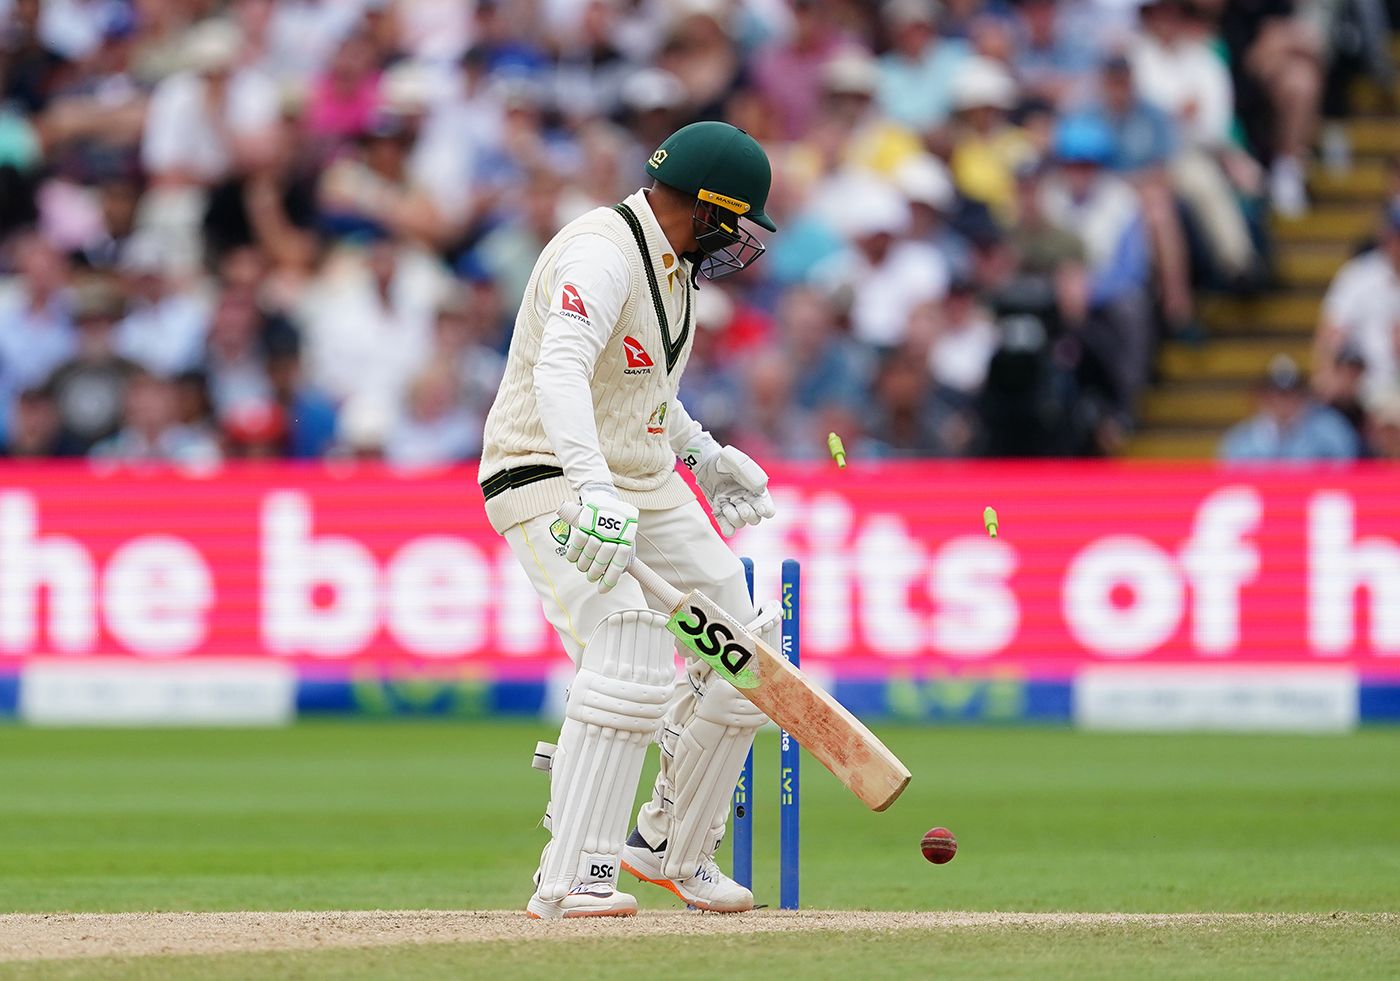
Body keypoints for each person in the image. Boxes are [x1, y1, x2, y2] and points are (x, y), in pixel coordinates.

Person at [478, 122, 780, 919]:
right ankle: (575, 872)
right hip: (546, 472)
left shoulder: (674, 268)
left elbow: (643, 390)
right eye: (737, 219)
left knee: (748, 650)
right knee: (628, 649)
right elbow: (563, 368)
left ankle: (673, 845)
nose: (740, 239)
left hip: (643, 480)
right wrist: (590, 489)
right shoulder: (600, 253)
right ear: (708, 206)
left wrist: (706, 455)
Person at [1219, 354, 1359, 462]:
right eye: (1278, 394)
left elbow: (1346, 471)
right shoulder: (1241, 439)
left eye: (1292, 393)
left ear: (1304, 395)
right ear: (1264, 397)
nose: (1284, 402)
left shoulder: (1332, 432)